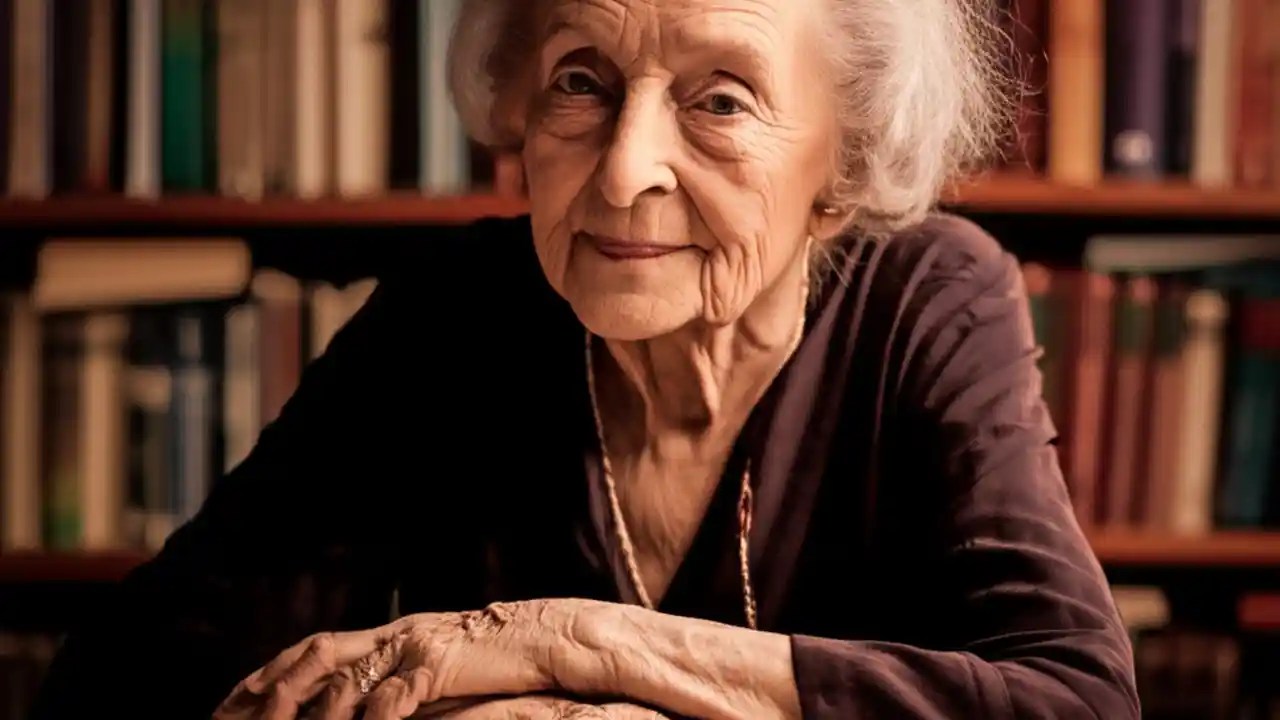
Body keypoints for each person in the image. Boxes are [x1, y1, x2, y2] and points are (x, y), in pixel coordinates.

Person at [29, 0, 1140, 718]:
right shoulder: (455, 311)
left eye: (719, 101)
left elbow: (1074, 700)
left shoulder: (927, 300)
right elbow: (129, 673)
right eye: (578, 81)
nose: (621, 175)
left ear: (841, 165)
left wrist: (569, 644)